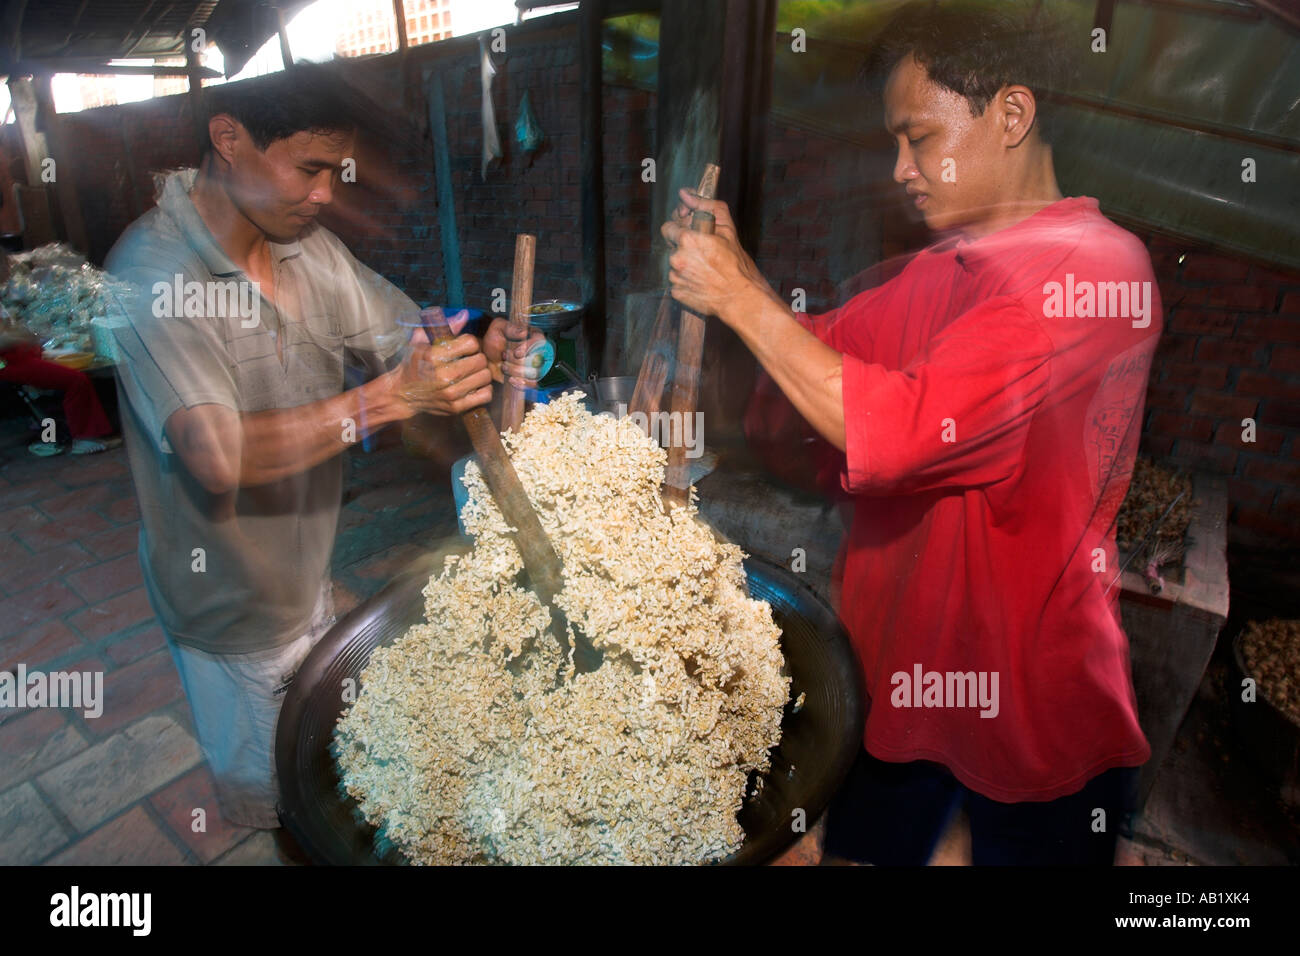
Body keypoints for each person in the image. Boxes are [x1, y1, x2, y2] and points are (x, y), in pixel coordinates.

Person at [663, 0, 1158, 865]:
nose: (899, 168)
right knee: (862, 847)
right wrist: (738, 310)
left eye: (918, 138)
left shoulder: (1094, 271)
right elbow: (818, 354)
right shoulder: (943, 270)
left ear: (1011, 112)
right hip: (902, 666)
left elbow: (891, 422)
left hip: (1030, 690)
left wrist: (738, 295)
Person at [105, 63, 540, 829]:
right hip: (231, 603)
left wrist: (473, 344)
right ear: (229, 139)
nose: (326, 194)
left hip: (306, 566)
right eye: (308, 170)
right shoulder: (151, 276)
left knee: (334, 761)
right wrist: (393, 398)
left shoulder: (309, 250)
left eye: (333, 173)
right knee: (282, 798)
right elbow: (216, 456)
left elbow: (407, 335)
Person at [0, 301, 121, 456]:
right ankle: (84, 438)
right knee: (76, 380)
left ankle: (86, 432)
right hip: (5, 363)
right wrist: (22, 338)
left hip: (16, 356)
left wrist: (28, 336)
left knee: (71, 372)